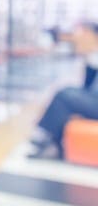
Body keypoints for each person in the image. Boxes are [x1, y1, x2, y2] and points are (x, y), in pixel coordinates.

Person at [29, 24, 98, 159]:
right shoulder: (93, 58)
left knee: (65, 96)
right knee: (69, 92)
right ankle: (52, 140)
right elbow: (87, 87)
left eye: (85, 34)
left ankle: (48, 139)